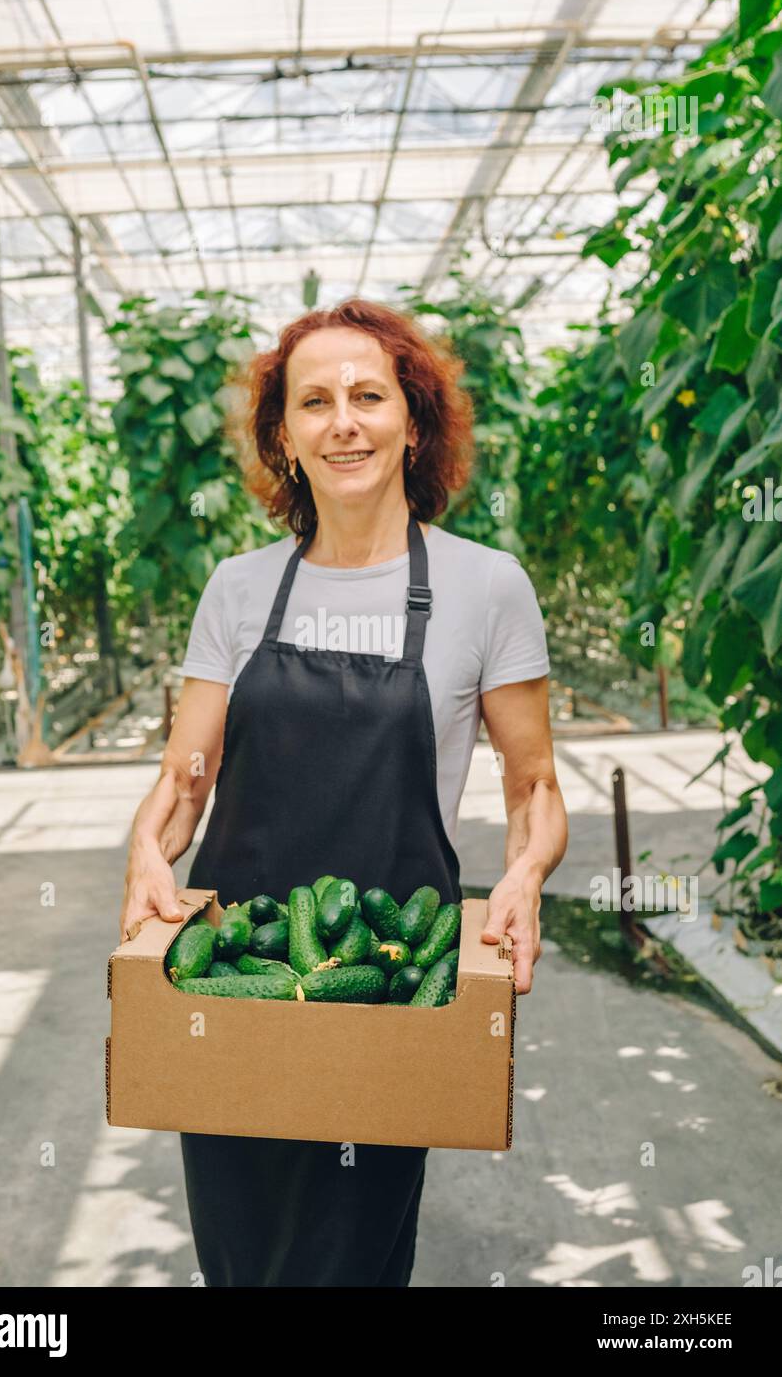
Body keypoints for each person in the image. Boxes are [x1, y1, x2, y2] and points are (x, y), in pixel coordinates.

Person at [119, 297, 568, 1286]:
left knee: (349, 1256)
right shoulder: (238, 589)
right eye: (312, 401)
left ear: (412, 418)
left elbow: (533, 784)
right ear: (283, 433)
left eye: (368, 395)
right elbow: (185, 775)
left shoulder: (485, 587)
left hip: (391, 981)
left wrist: (525, 875)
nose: (343, 421)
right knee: (239, 1250)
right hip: (230, 971)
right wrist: (149, 845)